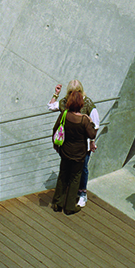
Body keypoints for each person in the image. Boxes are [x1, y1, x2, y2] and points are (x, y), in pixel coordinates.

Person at [48, 80, 101, 209]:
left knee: (63, 174)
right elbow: (92, 132)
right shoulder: (84, 118)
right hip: (79, 152)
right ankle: (72, 203)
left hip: (65, 149)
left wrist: (55, 95)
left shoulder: (65, 113)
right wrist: (90, 123)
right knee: (77, 176)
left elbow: (54, 125)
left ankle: (58, 202)